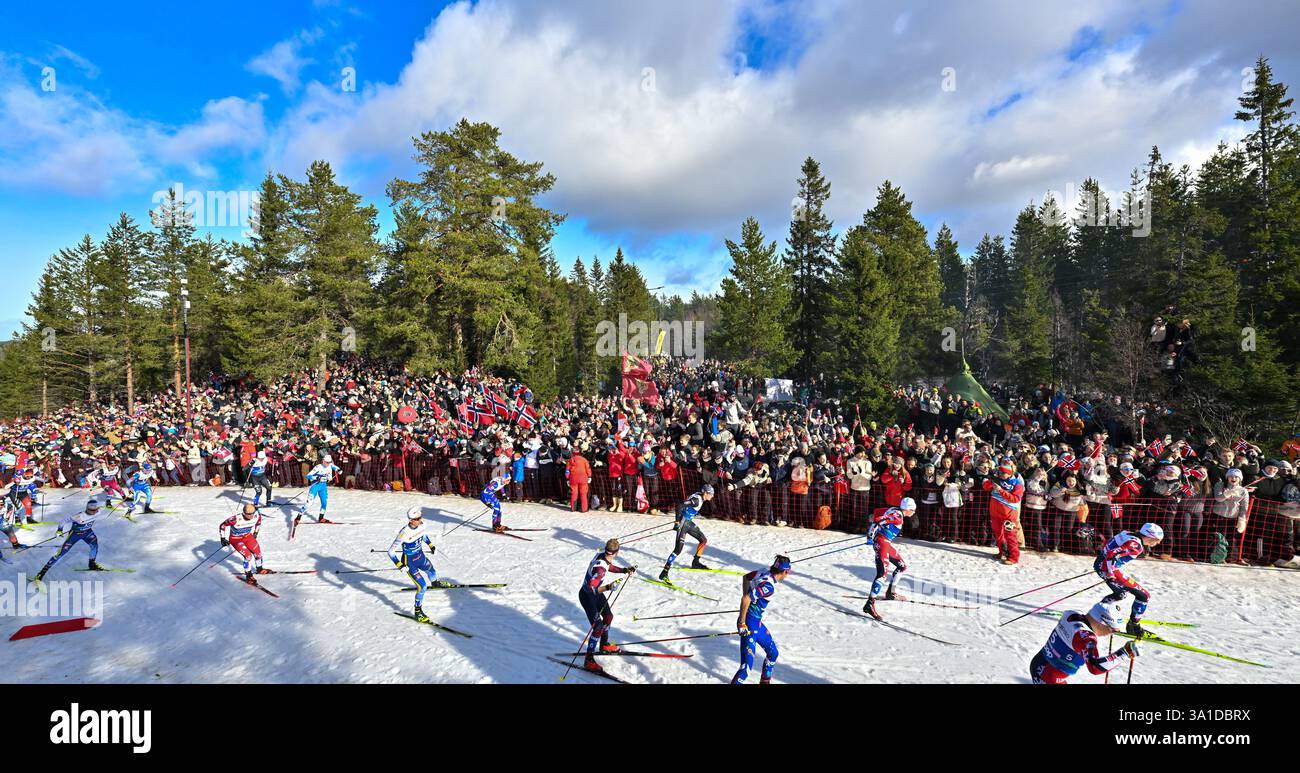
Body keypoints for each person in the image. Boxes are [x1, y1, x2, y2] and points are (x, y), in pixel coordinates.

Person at [1029, 600, 1139, 684]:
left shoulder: (1072, 614)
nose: (1111, 634)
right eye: (1113, 630)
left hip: (1041, 665)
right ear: (1101, 623)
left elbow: (1101, 607)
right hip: (1049, 677)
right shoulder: (1085, 638)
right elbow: (1094, 667)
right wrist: (1125, 653)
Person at [1094, 523, 1164, 636]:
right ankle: (1133, 626)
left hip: (1104, 565)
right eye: (1157, 540)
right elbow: (1113, 553)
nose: (1158, 543)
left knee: (1121, 594)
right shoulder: (1136, 546)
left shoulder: (1127, 533)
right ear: (1150, 537)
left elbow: (1109, 545)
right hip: (1108, 568)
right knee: (1144, 596)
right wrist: (1110, 573)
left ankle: (1099, 611)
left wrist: (1102, 561)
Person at [579, 538, 637, 673]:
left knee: (609, 616)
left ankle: (604, 645)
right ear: (617, 552)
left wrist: (624, 570)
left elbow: (608, 565)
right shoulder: (600, 570)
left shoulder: (603, 557)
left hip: (595, 594)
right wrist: (608, 587)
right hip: (587, 596)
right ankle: (588, 660)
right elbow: (591, 588)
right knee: (598, 627)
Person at [732, 554, 792, 685]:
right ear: (784, 572)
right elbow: (746, 598)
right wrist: (742, 622)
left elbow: (746, 577)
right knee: (746, 670)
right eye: (788, 572)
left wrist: (747, 604)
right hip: (749, 626)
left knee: (773, 654)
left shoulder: (764, 571)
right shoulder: (769, 587)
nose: (787, 575)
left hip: (756, 623)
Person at [388, 506, 451, 622]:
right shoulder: (404, 533)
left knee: (432, 571)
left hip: (420, 556)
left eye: (420, 517)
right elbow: (391, 551)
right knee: (422, 586)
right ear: (411, 520)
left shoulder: (422, 525)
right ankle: (418, 612)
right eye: (417, 518)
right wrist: (399, 565)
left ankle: (436, 583)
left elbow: (424, 535)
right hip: (409, 562)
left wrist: (431, 545)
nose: (420, 520)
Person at [862, 497, 915, 620]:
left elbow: (878, 512)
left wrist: (876, 533)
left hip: (885, 542)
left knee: (902, 566)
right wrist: (870, 536)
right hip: (882, 543)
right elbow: (878, 520)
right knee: (882, 575)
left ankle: (890, 592)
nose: (913, 513)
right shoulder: (898, 516)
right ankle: (869, 604)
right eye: (913, 510)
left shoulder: (894, 509)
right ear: (908, 509)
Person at [34, 498, 106, 582]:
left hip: (88, 533)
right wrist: (59, 530)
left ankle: (92, 564)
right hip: (75, 535)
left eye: (96, 510)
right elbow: (64, 520)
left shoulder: (98, 511)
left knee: (94, 546)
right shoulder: (79, 516)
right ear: (87, 509)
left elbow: (102, 504)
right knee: (60, 554)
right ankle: (41, 573)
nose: (94, 512)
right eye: (92, 510)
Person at [659, 484, 715, 581]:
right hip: (683, 524)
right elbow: (680, 505)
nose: (712, 496)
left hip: (688, 522)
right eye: (711, 494)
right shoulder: (697, 500)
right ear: (706, 493)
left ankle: (696, 562)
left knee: (703, 540)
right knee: (678, 550)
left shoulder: (700, 497)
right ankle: (664, 573)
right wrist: (677, 522)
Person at [983, 463, 1024, 565]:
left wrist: (1001, 491)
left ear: (1009, 474)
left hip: (1009, 514)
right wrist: (990, 481)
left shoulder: (1017, 484)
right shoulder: (997, 480)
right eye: (1000, 472)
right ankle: (1002, 552)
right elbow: (986, 487)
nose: (1001, 474)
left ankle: (1014, 557)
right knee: (999, 535)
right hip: (995, 513)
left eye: (1003, 473)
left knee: (1010, 535)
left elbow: (1015, 498)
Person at [221, 502, 268, 583]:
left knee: (258, 553)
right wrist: (223, 538)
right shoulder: (235, 519)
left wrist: (255, 533)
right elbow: (222, 525)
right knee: (248, 556)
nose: (250, 516)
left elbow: (258, 523)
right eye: (248, 514)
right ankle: (249, 575)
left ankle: (259, 569)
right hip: (236, 539)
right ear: (243, 512)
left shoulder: (257, 515)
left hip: (248, 536)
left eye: (252, 513)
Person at [298, 454, 341, 527]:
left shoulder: (330, 465)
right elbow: (308, 475)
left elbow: (335, 467)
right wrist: (317, 477)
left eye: (329, 462)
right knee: (309, 503)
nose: (327, 464)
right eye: (326, 462)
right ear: (323, 461)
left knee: (324, 503)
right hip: (315, 486)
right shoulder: (318, 467)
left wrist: (339, 470)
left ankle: (321, 518)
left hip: (323, 487)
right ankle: (298, 517)